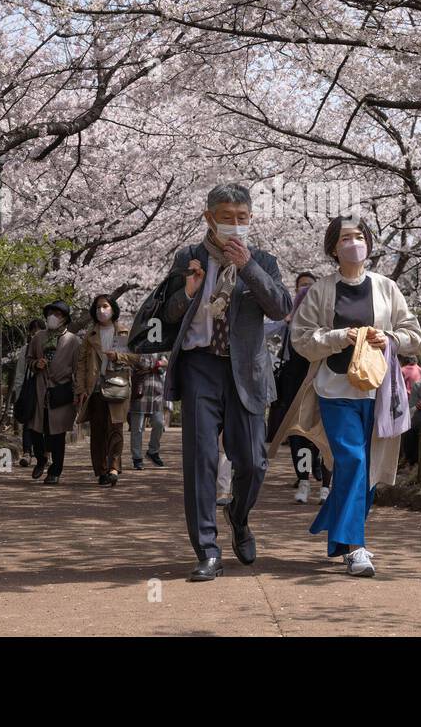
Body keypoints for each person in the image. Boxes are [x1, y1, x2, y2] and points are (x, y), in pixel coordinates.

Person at [270, 216, 421, 578]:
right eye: (344, 238)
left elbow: (413, 335)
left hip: (379, 392)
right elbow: (302, 341)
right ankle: (356, 548)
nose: (353, 243)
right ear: (332, 248)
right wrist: (341, 337)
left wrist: (390, 339)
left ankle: (337, 530)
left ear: (369, 243)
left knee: (369, 469)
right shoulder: (321, 290)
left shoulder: (386, 287)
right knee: (352, 461)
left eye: (359, 237)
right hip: (334, 391)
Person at [161, 182, 292, 581]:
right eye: (226, 218)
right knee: (201, 461)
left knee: (253, 461)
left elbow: (282, 306)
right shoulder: (189, 258)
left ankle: (239, 514)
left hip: (246, 370)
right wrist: (188, 290)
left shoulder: (264, 261)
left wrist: (249, 266)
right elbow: (167, 313)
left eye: (242, 218)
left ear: (251, 219)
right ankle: (207, 550)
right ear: (209, 218)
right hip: (200, 366)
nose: (235, 226)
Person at [266, 271, 332, 504]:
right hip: (294, 380)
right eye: (302, 289)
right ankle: (303, 480)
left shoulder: (327, 318)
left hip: (323, 378)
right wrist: (286, 319)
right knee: (297, 431)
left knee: (325, 430)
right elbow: (264, 332)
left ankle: (325, 484)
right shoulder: (289, 320)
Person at [75, 293, 133, 486]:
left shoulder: (124, 332)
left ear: (113, 308)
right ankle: (101, 471)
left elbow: (137, 359)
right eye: (98, 307)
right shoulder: (90, 336)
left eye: (105, 306)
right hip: (96, 388)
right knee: (98, 430)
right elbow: (81, 363)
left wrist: (118, 356)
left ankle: (114, 468)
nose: (102, 310)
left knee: (116, 428)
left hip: (118, 386)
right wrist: (81, 388)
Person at [27, 300, 82, 485]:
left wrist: (78, 394)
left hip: (61, 391)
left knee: (57, 434)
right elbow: (29, 359)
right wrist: (36, 363)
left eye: (58, 314)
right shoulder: (38, 337)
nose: (53, 317)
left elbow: (77, 369)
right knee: (35, 430)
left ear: (65, 318)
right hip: (39, 389)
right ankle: (41, 459)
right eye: (50, 313)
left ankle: (55, 470)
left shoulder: (74, 341)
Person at [129, 352, 168, 469]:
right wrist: (155, 365)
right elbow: (137, 363)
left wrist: (159, 363)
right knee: (138, 428)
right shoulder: (137, 347)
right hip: (139, 392)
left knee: (159, 423)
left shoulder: (159, 348)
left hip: (156, 392)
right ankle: (137, 458)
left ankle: (153, 451)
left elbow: (166, 362)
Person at [13, 318, 43, 467]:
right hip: (29, 389)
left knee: (45, 422)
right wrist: (18, 393)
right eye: (33, 331)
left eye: (38, 330)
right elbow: (19, 373)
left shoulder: (49, 348)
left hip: (44, 389)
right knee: (28, 421)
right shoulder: (25, 349)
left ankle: (45, 453)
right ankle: (26, 452)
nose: (35, 333)